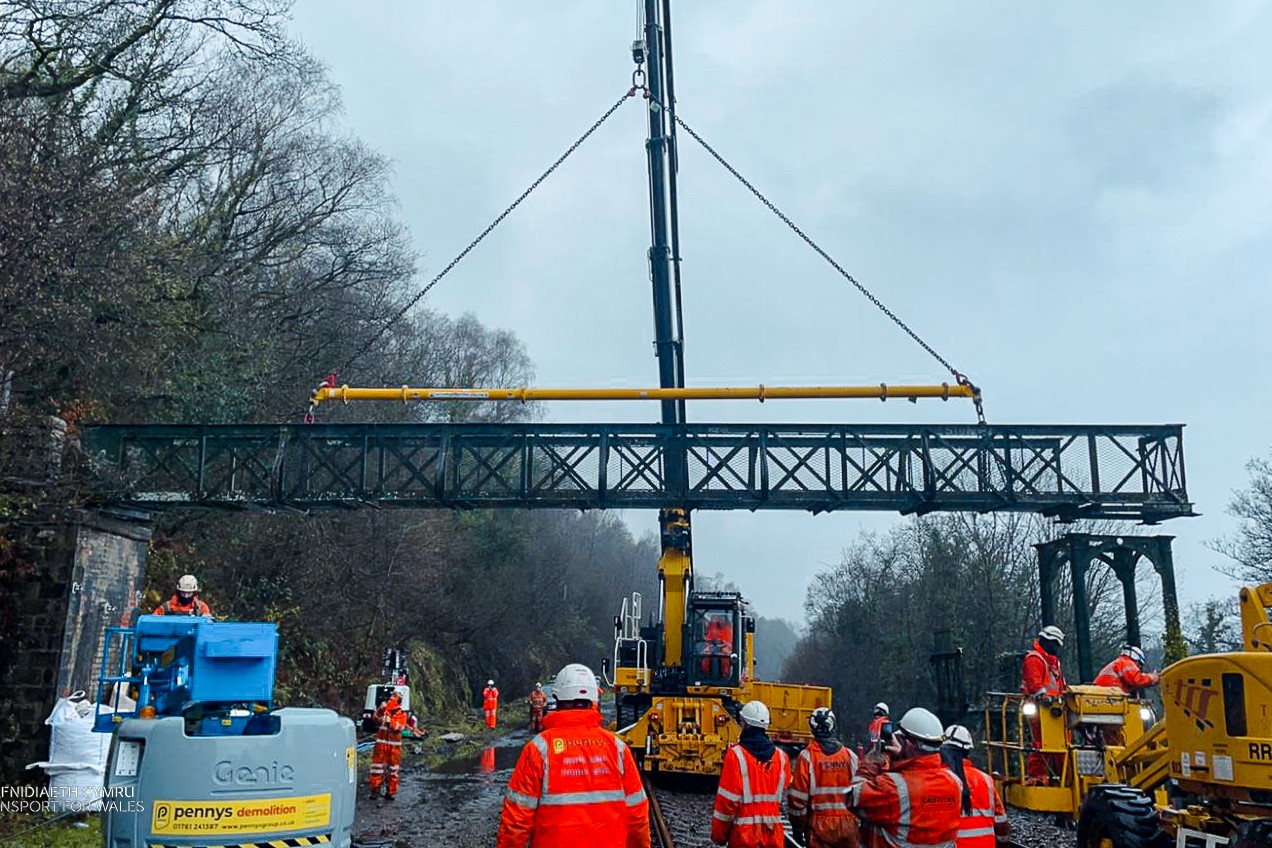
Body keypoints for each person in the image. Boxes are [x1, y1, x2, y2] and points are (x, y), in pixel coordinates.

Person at [496, 662, 649, 848]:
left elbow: (516, 822)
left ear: (557, 698)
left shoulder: (539, 749)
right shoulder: (617, 748)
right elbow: (638, 818)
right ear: (593, 700)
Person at [846, 707, 961, 848]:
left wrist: (873, 761)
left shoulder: (893, 787)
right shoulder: (955, 783)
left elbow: (852, 797)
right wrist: (903, 759)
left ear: (909, 743)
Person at [711, 699, 792, 848]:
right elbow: (782, 791)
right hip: (773, 836)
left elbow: (727, 804)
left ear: (744, 723)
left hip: (744, 837)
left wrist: (719, 836)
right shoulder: (782, 758)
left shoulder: (735, 756)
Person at [788, 707, 860, 848]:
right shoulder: (850, 756)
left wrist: (798, 829)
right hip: (848, 825)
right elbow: (861, 793)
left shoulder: (807, 757)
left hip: (819, 827)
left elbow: (797, 800)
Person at [940, 725, 1010, 848]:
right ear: (968, 750)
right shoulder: (986, 780)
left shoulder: (939, 779)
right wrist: (1002, 843)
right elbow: (1001, 822)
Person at [1019, 625, 1067, 784]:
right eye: (1055, 644)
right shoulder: (1035, 658)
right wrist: (1045, 698)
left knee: (1062, 744)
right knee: (1041, 744)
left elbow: (1059, 686)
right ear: (1048, 642)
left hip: (1055, 710)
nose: (1057, 648)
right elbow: (1035, 685)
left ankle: (1065, 776)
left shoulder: (1053, 662)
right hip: (1041, 709)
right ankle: (1036, 777)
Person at [368, 692, 423, 800]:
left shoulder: (402, 714)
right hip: (381, 746)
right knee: (376, 769)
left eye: (394, 697)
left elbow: (399, 727)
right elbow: (375, 719)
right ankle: (375, 790)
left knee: (393, 770)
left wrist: (390, 722)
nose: (391, 699)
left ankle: (390, 792)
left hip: (394, 748)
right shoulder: (385, 712)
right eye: (391, 697)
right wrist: (380, 710)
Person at [1093, 645, 1160, 694]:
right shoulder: (1126, 662)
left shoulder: (1118, 662)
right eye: (1139, 663)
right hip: (1110, 696)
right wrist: (1152, 678)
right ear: (1136, 657)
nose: (1138, 666)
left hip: (1105, 695)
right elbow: (1136, 679)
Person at [701, 612, 735, 679]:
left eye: (722, 619)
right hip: (712, 646)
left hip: (724, 647)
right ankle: (705, 673)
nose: (721, 620)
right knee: (705, 653)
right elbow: (707, 638)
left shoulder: (729, 630)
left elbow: (729, 643)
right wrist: (711, 641)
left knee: (725, 655)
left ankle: (724, 674)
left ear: (726, 619)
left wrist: (722, 642)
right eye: (720, 618)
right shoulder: (712, 627)